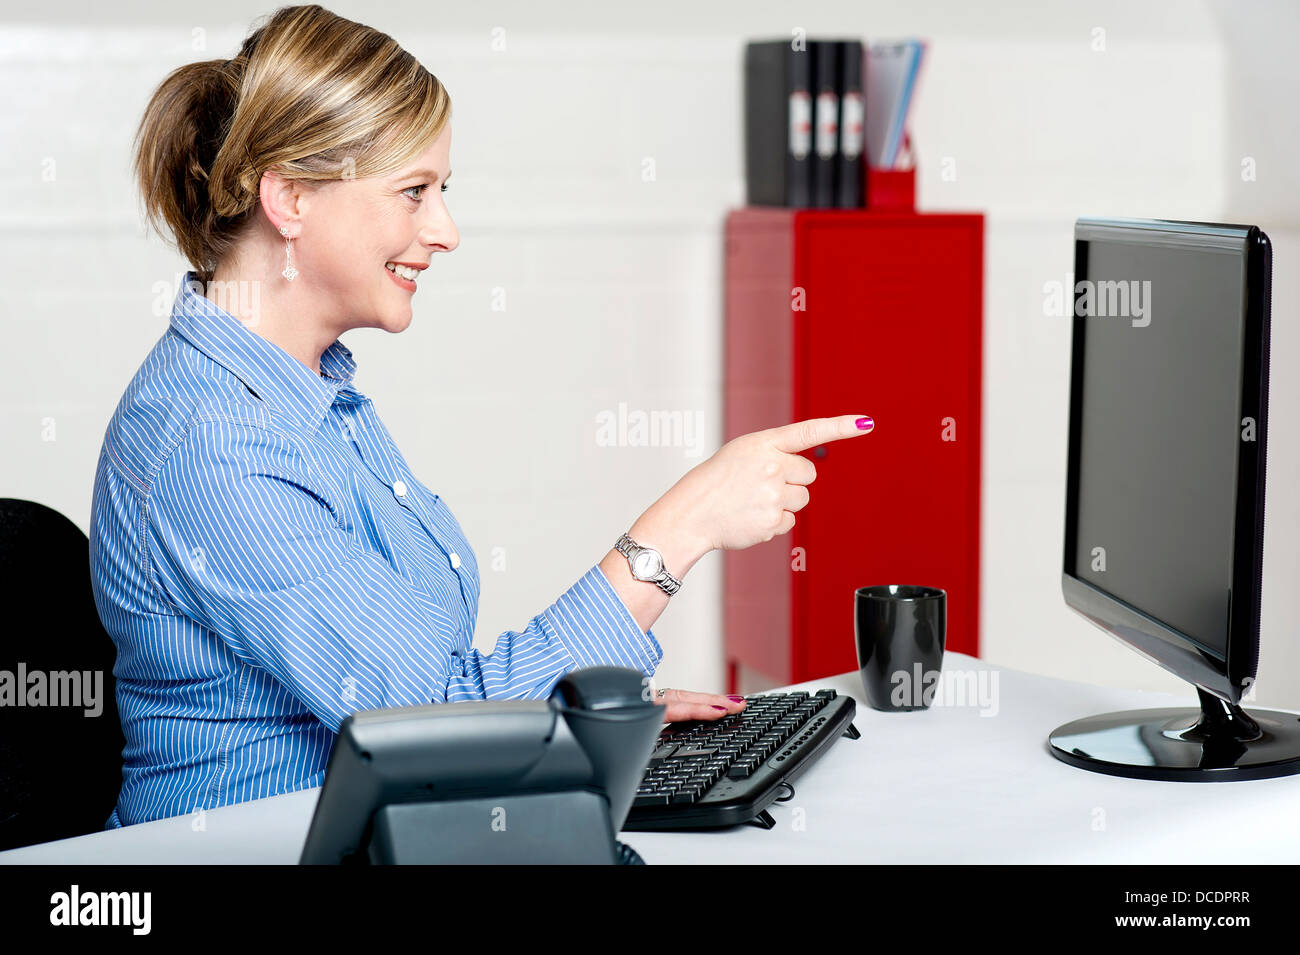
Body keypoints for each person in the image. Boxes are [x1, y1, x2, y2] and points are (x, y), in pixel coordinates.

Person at [90, 3, 875, 828]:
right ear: (290, 198)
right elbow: (434, 719)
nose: (446, 230)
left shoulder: (309, 391)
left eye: (443, 192)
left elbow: (421, 686)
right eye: (413, 192)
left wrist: (570, 715)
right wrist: (683, 525)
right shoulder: (214, 445)